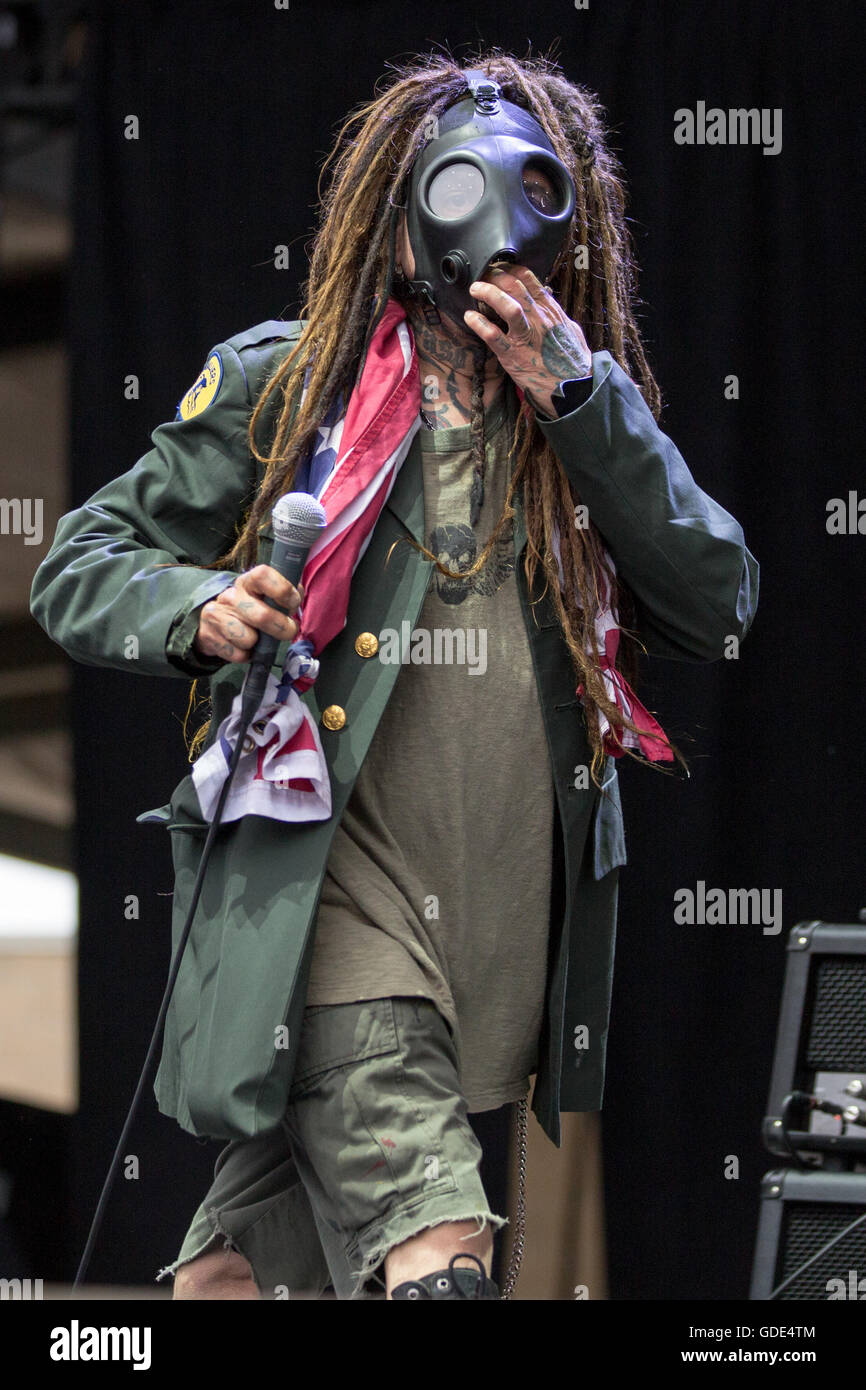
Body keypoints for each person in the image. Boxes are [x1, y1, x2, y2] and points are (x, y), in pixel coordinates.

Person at [30, 51, 759, 1301]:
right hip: (321, 913)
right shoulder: (287, 384)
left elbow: (714, 599)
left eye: (540, 189)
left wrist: (584, 404)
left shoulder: (576, 419)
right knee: (443, 1265)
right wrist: (202, 603)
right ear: (409, 201)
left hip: (485, 943)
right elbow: (81, 561)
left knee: (230, 1283)